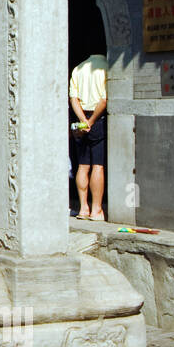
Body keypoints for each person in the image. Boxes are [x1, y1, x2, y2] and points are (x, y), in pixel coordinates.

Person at [69, 53, 108, 221]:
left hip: (81, 119)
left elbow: (73, 98)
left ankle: (83, 208)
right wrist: (91, 121)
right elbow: (104, 100)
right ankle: (96, 209)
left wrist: (83, 120)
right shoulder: (106, 67)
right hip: (97, 119)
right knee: (97, 166)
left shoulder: (78, 69)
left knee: (83, 166)